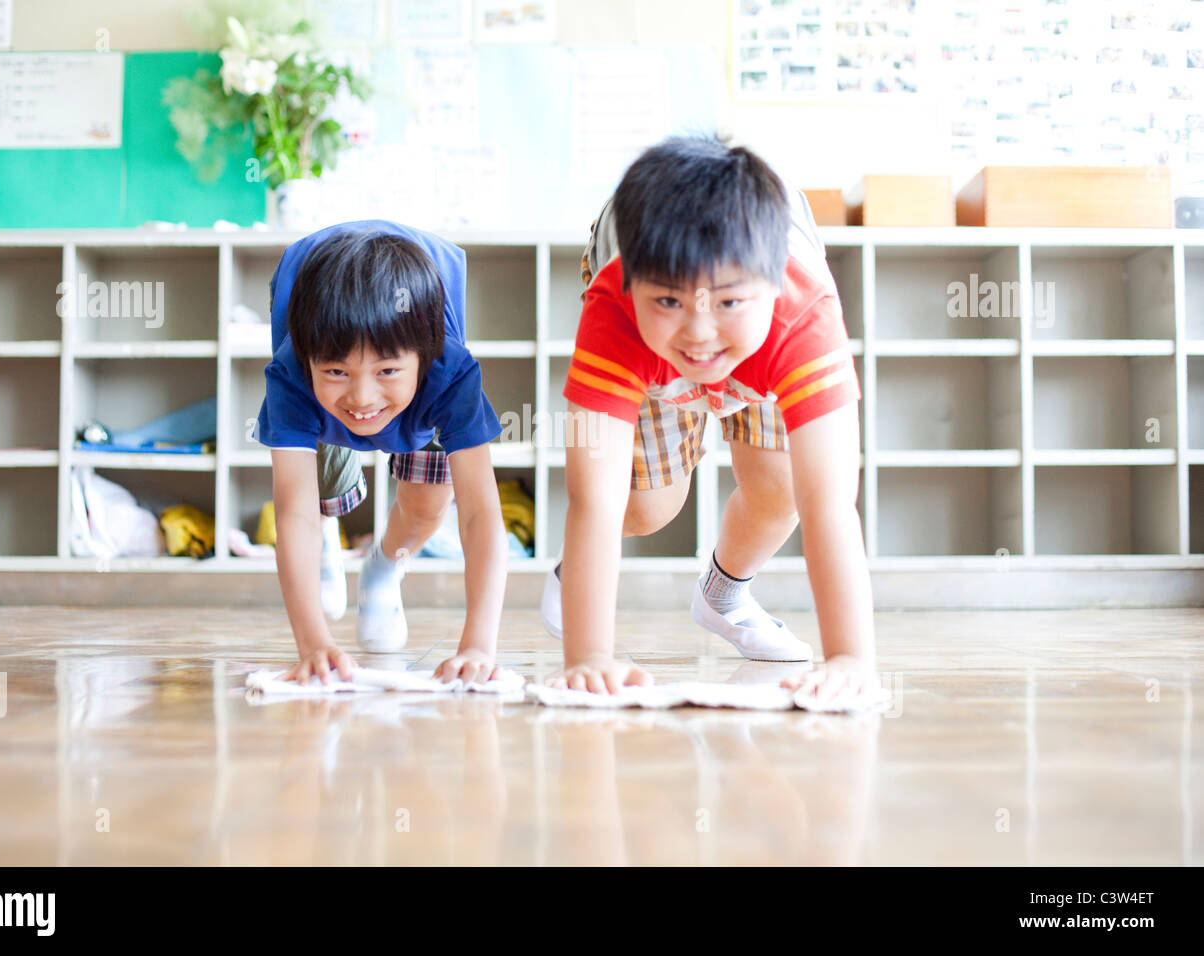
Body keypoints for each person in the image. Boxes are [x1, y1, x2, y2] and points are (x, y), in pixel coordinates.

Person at [544, 135, 877, 704]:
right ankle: (570, 571)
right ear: (631, 287)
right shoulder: (616, 311)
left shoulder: (804, 317)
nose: (699, 335)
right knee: (646, 508)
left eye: (726, 303)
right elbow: (592, 500)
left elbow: (830, 504)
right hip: (650, 349)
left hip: (763, 348)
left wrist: (849, 659)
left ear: (772, 285)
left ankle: (723, 593)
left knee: (784, 493)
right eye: (669, 301)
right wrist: (589, 659)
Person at [253, 221, 508, 686]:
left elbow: (479, 514)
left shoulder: (450, 374)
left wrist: (477, 646)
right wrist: (314, 646)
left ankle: (385, 563)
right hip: (320, 403)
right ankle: (330, 546)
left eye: (387, 370)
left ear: (426, 356)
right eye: (336, 370)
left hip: (419, 404)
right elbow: (294, 512)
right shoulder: (292, 373)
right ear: (308, 359)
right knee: (320, 495)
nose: (363, 397)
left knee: (426, 509)